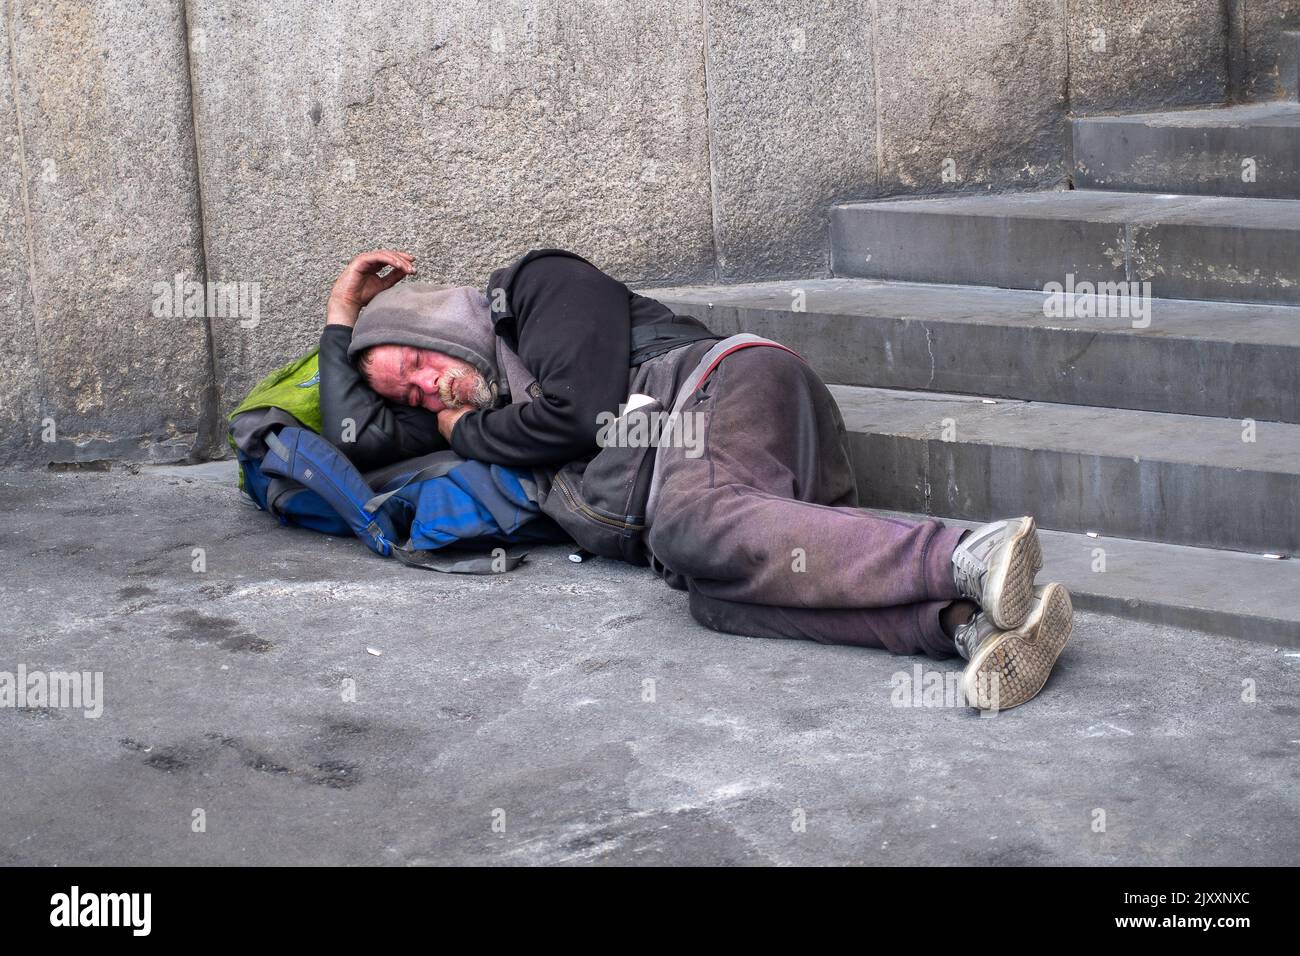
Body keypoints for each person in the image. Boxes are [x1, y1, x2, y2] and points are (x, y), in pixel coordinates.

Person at [318, 248, 1073, 711]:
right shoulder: (477, 395)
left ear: (436, 326)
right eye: (410, 395)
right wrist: (341, 315)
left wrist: (467, 433)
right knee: (715, 598)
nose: (429, 392)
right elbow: (355, 442)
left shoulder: (536, 287)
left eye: (419, 364)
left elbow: (581, 415)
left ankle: (966, 553)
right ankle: (958, 624)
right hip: (723, 484)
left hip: (725, 387)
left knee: (692, 523)